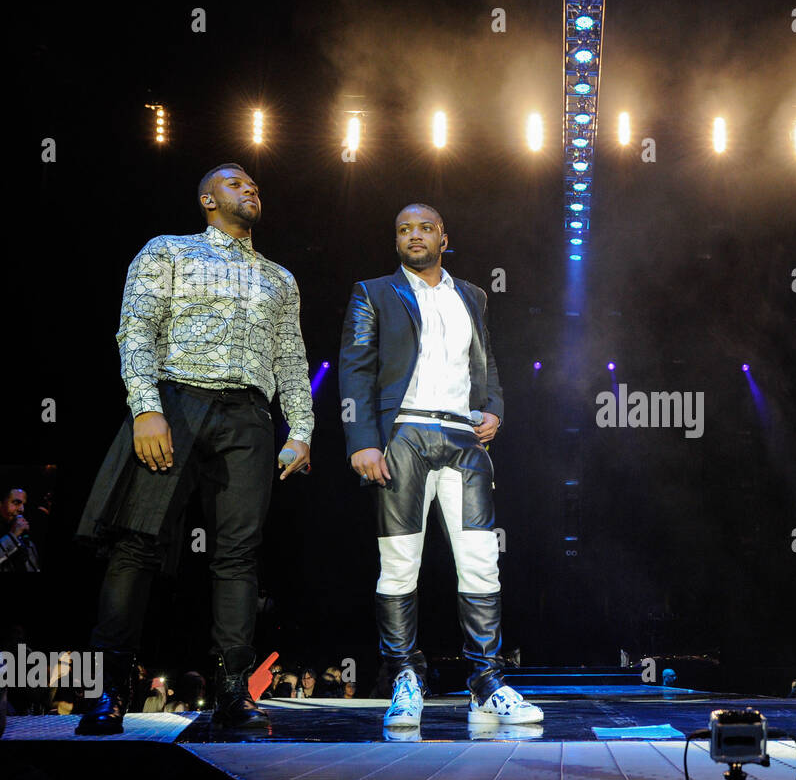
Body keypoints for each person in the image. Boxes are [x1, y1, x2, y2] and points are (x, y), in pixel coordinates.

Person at [75, 163, 314, 734]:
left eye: (255, 183)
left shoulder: (280, 278)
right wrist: (146, 408)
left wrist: (300, 429)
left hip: (250, 416)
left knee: (239, 555)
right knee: (134, 547)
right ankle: (108, 691)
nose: (251, 187)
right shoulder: (168, 250)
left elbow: (291, 358)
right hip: (175, 405)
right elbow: (135, 328)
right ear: (208, 198)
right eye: (235, 183)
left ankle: (233, 692)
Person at [338, 202, 541, 731]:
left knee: (480, 560)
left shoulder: (471, 294)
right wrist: (363, 441)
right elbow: (355, 369)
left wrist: (494, 407)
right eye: (403, 229)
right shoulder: (373, 292)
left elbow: (487, 359)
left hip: (463, 437)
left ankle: (486, 683)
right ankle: (405, 678)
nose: (414, 236)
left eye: (425, 228)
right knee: (400, 562)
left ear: (444, 237)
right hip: (403, 435)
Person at [0, 488, 40, 572]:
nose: (22, 509)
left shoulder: (21, 530)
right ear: (1, 503)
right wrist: (12, 536)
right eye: (16, 503)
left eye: (23, 504)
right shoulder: (14, 531)